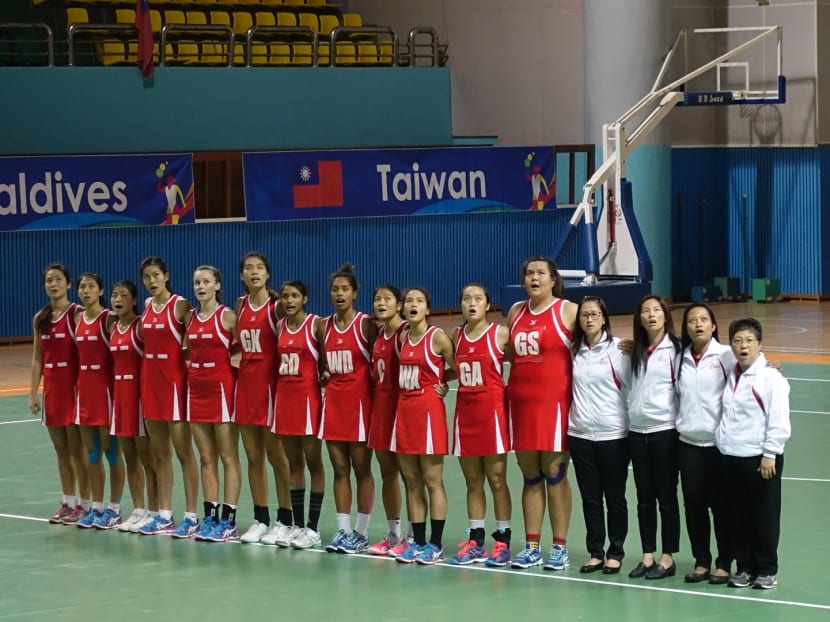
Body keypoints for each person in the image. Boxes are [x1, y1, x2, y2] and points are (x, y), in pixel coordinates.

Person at [506, 256, 576, 571]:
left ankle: (559, 547)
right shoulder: (515, 312)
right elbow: (505, 354)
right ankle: (532, 545)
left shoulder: (567, 310)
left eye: (540, 273)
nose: (534, 278)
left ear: (552, 279)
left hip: (555, 406)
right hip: (521, 405)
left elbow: (594, 342)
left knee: (555, 473)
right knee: (530, 476)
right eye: (529, 273)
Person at [717, 318, 790, 590]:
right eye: (737, 341)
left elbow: (779, 419)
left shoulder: (771, 378)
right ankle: (745, 567)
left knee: (765, 516)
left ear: (760, 344)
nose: (742, 346)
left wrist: (770, 453)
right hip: (731, 456)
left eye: (749, 340)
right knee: (739, 516)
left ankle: (767, 568)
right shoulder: (730, 372)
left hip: (761, 459)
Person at [135, 257, 201, 537]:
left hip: (174, 385)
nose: (151, 281)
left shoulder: (181, 305)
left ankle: (191, 516)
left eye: (156, 275)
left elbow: (195, 340)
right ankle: (164, 514)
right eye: (147, 277)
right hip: (150, 385)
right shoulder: (148, 307)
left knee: (184, 453)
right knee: (160, 453)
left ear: (166, 276)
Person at [449, 284, 513, 567]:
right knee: (472, 480)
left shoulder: (499, 334)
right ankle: (476, 540)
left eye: (478, 299)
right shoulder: (456, 336)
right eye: (466, 299)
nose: (471, 303)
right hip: (466, 414)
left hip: (493, 414)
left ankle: (503, 540)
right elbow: (452, 369)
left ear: (488, 305)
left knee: (497, 479)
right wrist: (438, 383)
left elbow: (521, 361)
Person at [233, 253, 294, 545]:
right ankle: (261, 518)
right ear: (242, 275)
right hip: (245, 387)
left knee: (277, 457)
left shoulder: (277, 307)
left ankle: (286, 519)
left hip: (271, 388)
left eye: (259, 267)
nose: (254, 272)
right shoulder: (240, 305)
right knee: (253, 457)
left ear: (268, 274)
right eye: (248, 268)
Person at [568, 296, 631, 574]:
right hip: (580, 435)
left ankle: (615, 551)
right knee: (590, 498)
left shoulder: (620, 350)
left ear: (604, 318)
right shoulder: (573, 351)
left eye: (594, 314)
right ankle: (596, 551)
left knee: (615, 497)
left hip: (614, 435)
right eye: (584, 315)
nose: (589, 319)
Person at [319, 264, 378, 554]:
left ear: (355, 293)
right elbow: (319, 364)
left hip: (359, 407)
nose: (339, 293)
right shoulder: (323, 326)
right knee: (339, 470)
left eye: (345, 289)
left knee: (361, 469)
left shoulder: (366, 325)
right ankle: (343, 531)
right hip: (334, 407)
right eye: (335, 289)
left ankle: (362, 532)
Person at [394, 287, 454, 565]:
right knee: (411, 481)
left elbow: (457, 366)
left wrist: (443, 383)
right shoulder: (403, 336)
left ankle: (436, 544)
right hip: (404, 412)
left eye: (419, 301)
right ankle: (417, 542)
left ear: (428, 309)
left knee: (432, 481)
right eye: (409, 301)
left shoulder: (437, 337)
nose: (413, 305)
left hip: (428, 413)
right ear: (403, 309)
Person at [675, 303, 734, 584]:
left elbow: (752, 367)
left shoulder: (726, 355)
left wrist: (769, 363)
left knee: (721, 506)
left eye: (703, 319)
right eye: (691, 320)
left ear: (713, 325)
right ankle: (701, 560)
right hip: (687, 444)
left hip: (717, 446)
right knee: (694, 505)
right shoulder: (680, 358)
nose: (697, 324)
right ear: (685, 327)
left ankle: (724, 562)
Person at [29, 263, 90, 524]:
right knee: (61, 450)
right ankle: (68, 501)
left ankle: (86, 504)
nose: (53, 284)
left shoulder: (77, 314)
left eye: (58, 280)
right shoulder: (40, 318)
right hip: (52, 391)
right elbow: (37, 358)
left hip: (74, 389)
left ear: (67, 284)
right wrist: (33, 393)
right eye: (48, 281)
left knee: (78, 449)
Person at [626, 295, 681, 580]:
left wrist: (768, 364)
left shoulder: (677, 349)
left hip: (665, 432)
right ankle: (647, 556)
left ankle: (667, 557)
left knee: (666, 497)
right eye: (645, 310)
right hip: (637, 433)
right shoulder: (633, 350)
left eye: (656, 310)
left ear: (665, 315)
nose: (650, 315)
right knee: (644, 498)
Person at [187, 266, 242, 543]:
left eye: (206, 281)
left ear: (217, 285)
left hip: (221, 392)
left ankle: (228, 520)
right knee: (206, 457)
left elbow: (244, 353)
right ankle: (209, 517)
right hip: (196, 393)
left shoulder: (229, 317)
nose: (201, 286)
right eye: (197, 282)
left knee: (227, 456)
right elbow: (188, 352)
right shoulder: (190, 318)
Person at [273, 280, 326, 549]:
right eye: (285, 296)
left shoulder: (316, 325)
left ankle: (312, 527)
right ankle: (296, 525)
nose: (289, 300)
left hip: (308, 402)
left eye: (295, 296)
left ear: (305, 298)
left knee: (313, 462)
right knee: (293, 464)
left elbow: (327, 363)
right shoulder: (280, 326)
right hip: (284, 401)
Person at [73, 273, 126, 530]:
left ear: (100, 290)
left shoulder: (109, 319)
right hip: (84, 393)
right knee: (91, 453)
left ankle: (114, 508)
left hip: (105, 392)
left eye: (91, 286)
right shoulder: (77, 319)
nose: (86, 291)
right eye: (82, 287)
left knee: (111, 452)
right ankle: (97, 506)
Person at [109, 280, 159, 533]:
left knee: (148, 459)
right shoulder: (113, 326)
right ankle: (138, 510)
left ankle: (155, 510)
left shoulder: (141, 327)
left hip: (140, 398)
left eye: (124, 295)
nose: (118, 299)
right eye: (115, 295)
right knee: (130, 458)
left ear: (135, 301)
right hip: (120, 399)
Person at [367, 285, 411, 557]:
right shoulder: (379, 334)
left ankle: (413, 534)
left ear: (399, 305)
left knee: (411, 476)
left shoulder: (406, 333)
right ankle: (393, 534)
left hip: (403, 410)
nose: (381, 303)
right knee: (387, 474)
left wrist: (438, 384)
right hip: (381, 409)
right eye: (377, 299)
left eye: (387, 299)